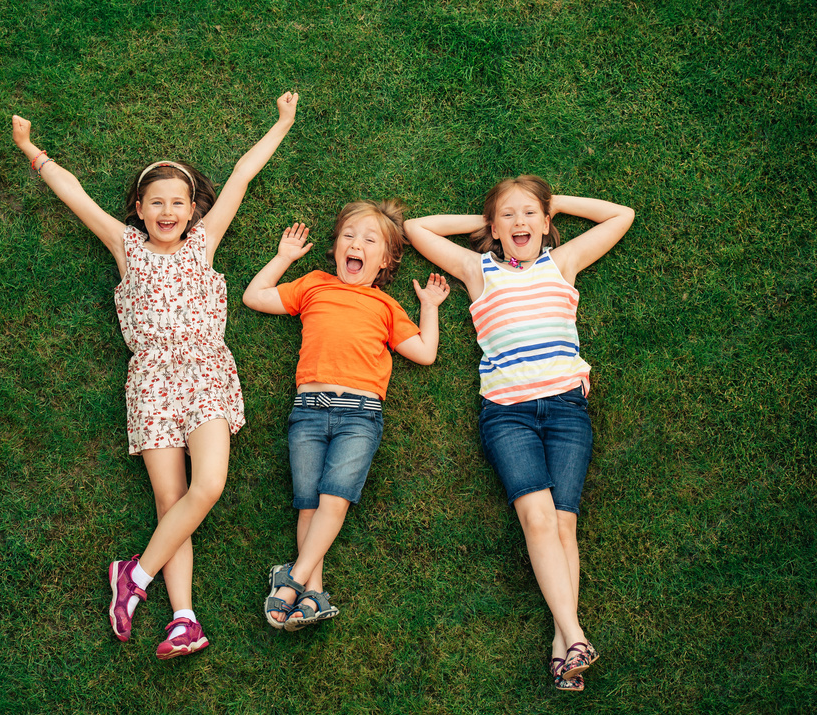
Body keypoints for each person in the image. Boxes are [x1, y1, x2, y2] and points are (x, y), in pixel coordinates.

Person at [12, 92, 299, 658]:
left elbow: (242, 173)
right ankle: (183, 619)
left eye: (178, 202)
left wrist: (282, 122)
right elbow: (76, 195)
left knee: (207, 485)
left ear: (193, 209)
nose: (168, 212)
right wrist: (30, 150)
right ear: (138, 210)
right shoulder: (127, 248)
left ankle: (134, 578)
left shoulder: (204, 243)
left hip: (206, 374)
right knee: (171, 502)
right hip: (151, 384)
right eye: (156, 203)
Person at [404, 176, 633, 690]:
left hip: (567, 409)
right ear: (494, 229)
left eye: (529, 214)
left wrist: (553, 204)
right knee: (537, 517)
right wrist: (482, 224)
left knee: (564, 525)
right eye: (507, 216)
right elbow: (415, 227)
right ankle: (574, 633)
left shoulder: (562, 262)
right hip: (507, 413)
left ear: (547, 224)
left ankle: (564, 644)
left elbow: (621, 215)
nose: (519, 223)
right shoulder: (476, 270)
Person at [242, 201, 450, 631]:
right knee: (307, 504)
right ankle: (312, 595)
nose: (356, 244)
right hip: (308, 412)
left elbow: (425, 353)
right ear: (336, 248)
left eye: (370, 240)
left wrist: (429, 305)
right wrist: (284, 258)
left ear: (386, 259)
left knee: (334, 499)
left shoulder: (387, 307)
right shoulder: (314, 285)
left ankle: (291, 581)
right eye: (349, 236)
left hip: (360, 415)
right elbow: (253, 297)